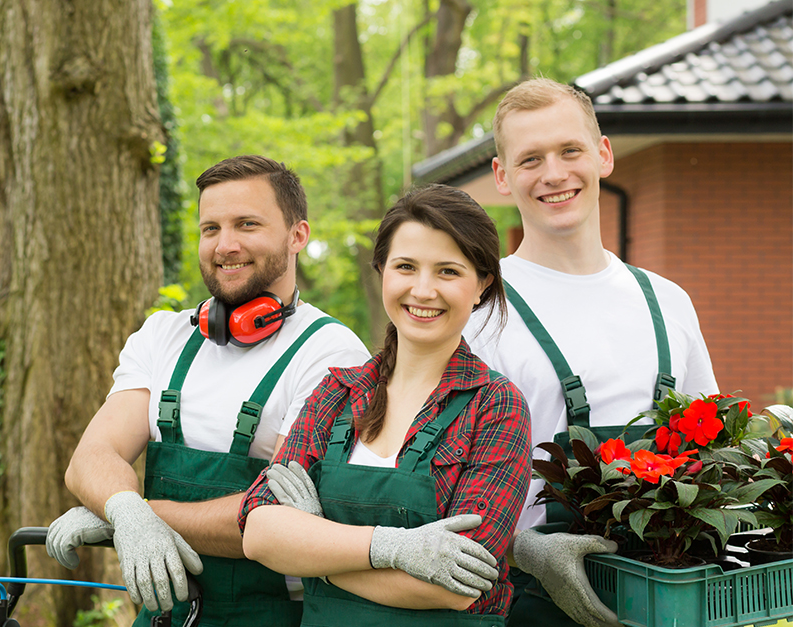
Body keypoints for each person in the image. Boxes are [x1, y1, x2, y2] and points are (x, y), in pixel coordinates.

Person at [45, 155, 371, 627]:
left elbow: (274, 515)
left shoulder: (332, 353)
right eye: (211, 228)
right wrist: (125, 510)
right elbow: (92, 457)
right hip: (164, 615)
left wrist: (136, 514)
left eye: (247, 224)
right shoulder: (164, 336)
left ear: (298, 235)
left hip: (273, 616)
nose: (226, 245)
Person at [464, 77, 719, 627]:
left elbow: (712, 457)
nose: (554, 174)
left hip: (668, 603)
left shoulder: (667, 302)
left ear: (603, 155)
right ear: (503, 177)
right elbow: (443, 481)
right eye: (530, 159)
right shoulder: (477, 311)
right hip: (526, 604)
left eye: (569, 150)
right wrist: (523, 549)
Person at [238, 184, 532, 627]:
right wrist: (389, 549)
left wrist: (316, 554)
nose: (423, 289)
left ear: (481, 284)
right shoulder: (336, 393)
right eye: (406, 267)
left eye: (448, 272)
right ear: (382, 272)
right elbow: (260, 533)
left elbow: (457, 584)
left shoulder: (495, 407)